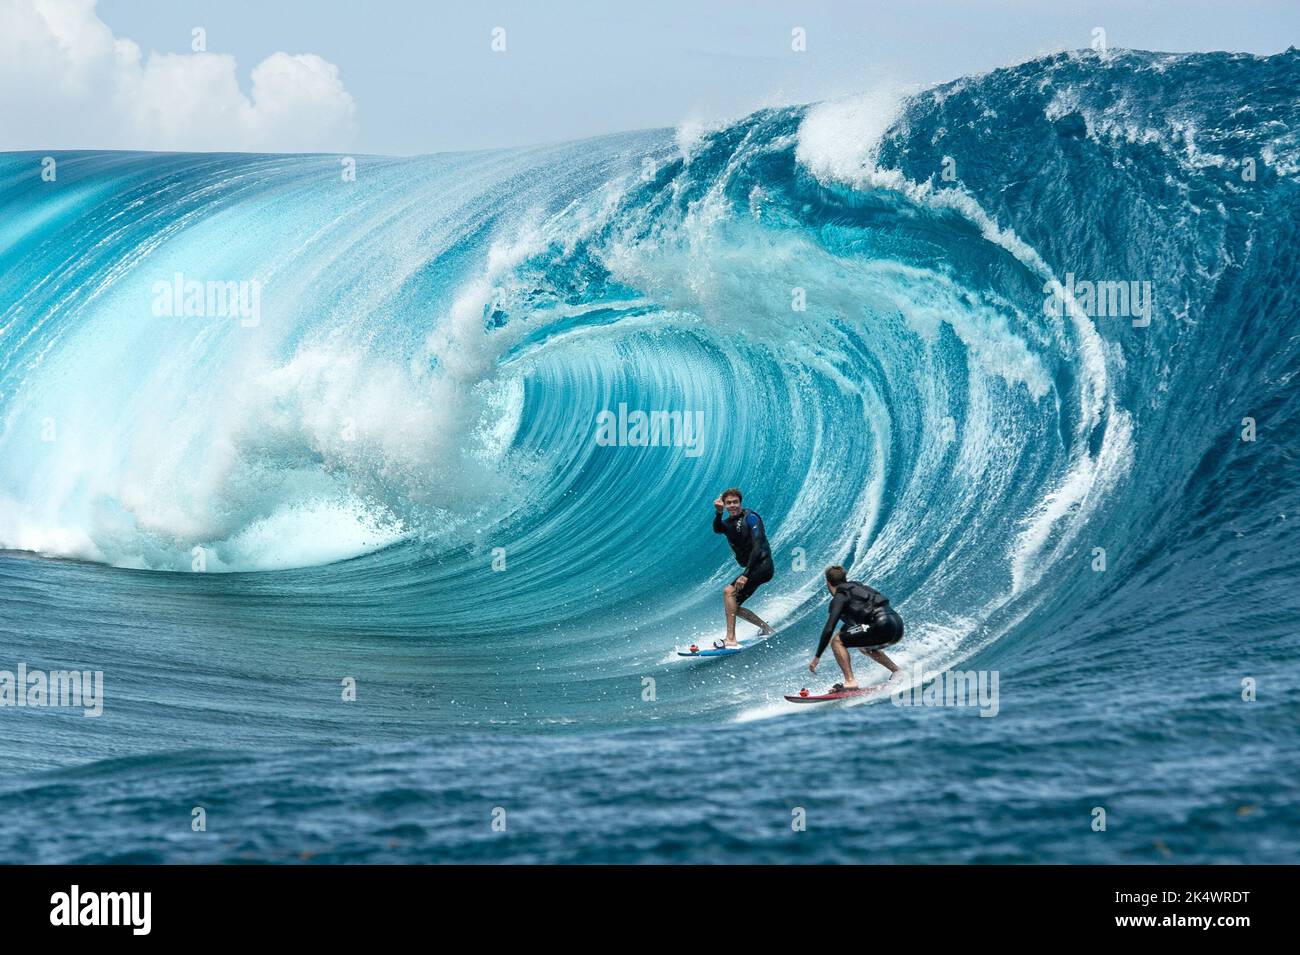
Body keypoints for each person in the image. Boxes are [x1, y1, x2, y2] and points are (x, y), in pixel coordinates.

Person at [808, 565, 903, 691]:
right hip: (896, 624)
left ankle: (850, 681)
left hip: (879, 626)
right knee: (863, 645)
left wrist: (817, 657)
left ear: (828, 582)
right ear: (844, 578)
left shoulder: (840, 597)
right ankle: (897, 671)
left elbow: (829, 628)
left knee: (837, 641)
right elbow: (854, 625)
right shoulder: (858, 588)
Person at [711, 487, 775, 648]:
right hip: (754, 568)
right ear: (724, 505)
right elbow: (717, 529)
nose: (732, 506)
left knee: (728, 592)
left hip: (762, 566)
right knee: (734, 605)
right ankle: (766, 629)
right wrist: (718, 513)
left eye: (735, 502)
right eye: (728, 503)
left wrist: (746, 574)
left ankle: (731, 639)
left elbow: (758, 546)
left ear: (740, 502)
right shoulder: (727, 523)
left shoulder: (751, 518)